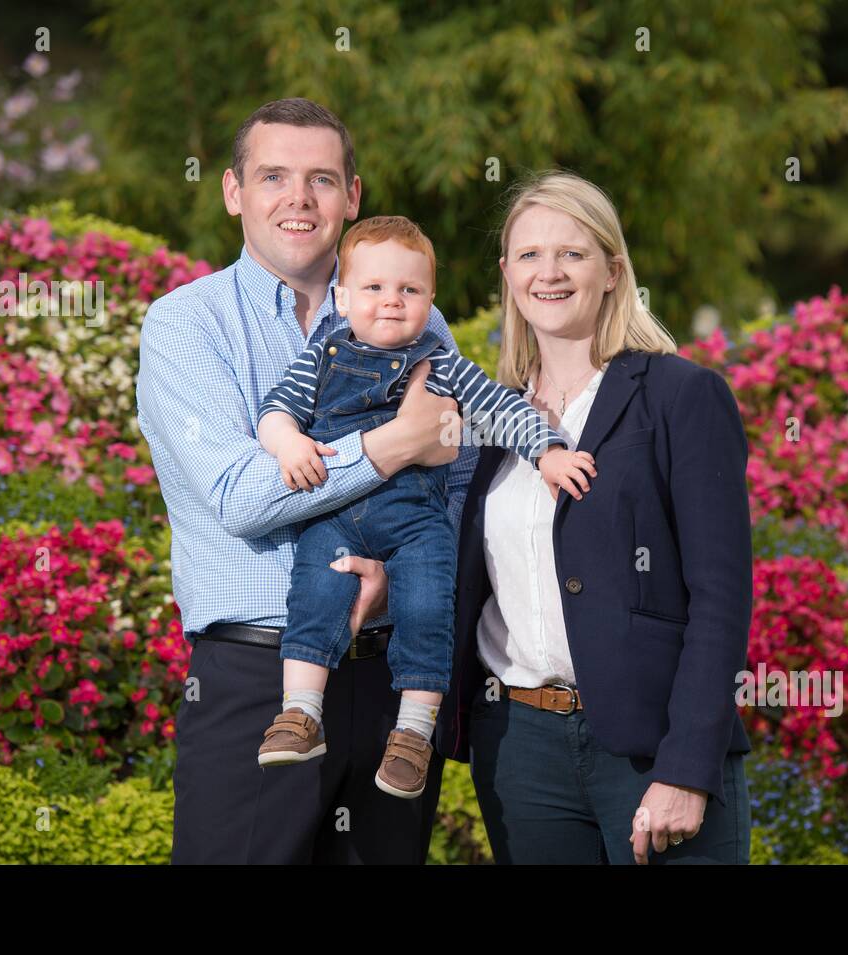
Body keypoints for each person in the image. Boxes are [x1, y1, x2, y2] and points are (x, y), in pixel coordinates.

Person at [137, 98, 477, 863]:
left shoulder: (416, 321)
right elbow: (243, 496)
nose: (300, 198)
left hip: (392, 680)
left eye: (322, 178)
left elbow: (459, 480)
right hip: (257, 679)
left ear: (352, 197)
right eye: (274, 177)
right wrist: (393, 444)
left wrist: (406, 571)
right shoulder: (186, 324)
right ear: (234, 192)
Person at [435, 170, 755, 864]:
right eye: (529, 255)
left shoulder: (681, 395)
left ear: (613, 271)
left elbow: (721, 599)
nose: (548, 273)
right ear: (506, 274)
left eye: (572, 254)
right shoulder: (490, 418)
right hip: (520, 751)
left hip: (652, 750)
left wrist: (687, 765)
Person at [252, 214, 596, 799]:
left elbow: (504, 410)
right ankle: (300, 714)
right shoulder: (322, 353)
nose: (392, 302)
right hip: (335, 515)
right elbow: (275, 410)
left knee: (427, 607)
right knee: (314, 591)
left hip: (417, 524)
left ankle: (413, 731)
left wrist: (547, 453)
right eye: (375, 289)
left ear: (430, 298)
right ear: (343, 297)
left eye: (409, 290)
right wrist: (287, 441)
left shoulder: (442, 362)